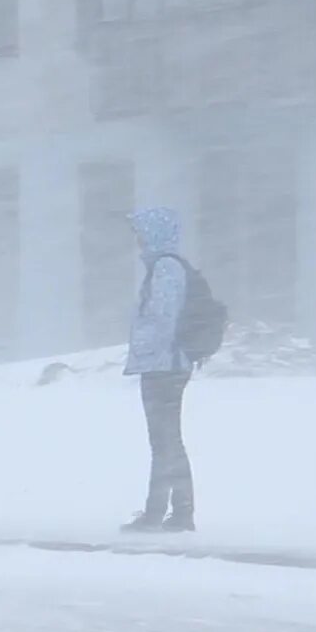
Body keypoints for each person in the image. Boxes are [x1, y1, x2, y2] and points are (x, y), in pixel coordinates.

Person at [121, 207, 196, 533]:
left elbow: (162, 318)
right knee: (166, 440)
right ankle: (173, 511)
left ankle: (170, 513)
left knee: (165, 440)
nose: (136, 239)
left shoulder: (166, 269)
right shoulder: (164, 268)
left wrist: (142, 344)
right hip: (165, 364)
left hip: (163, 366)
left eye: (140, 232)